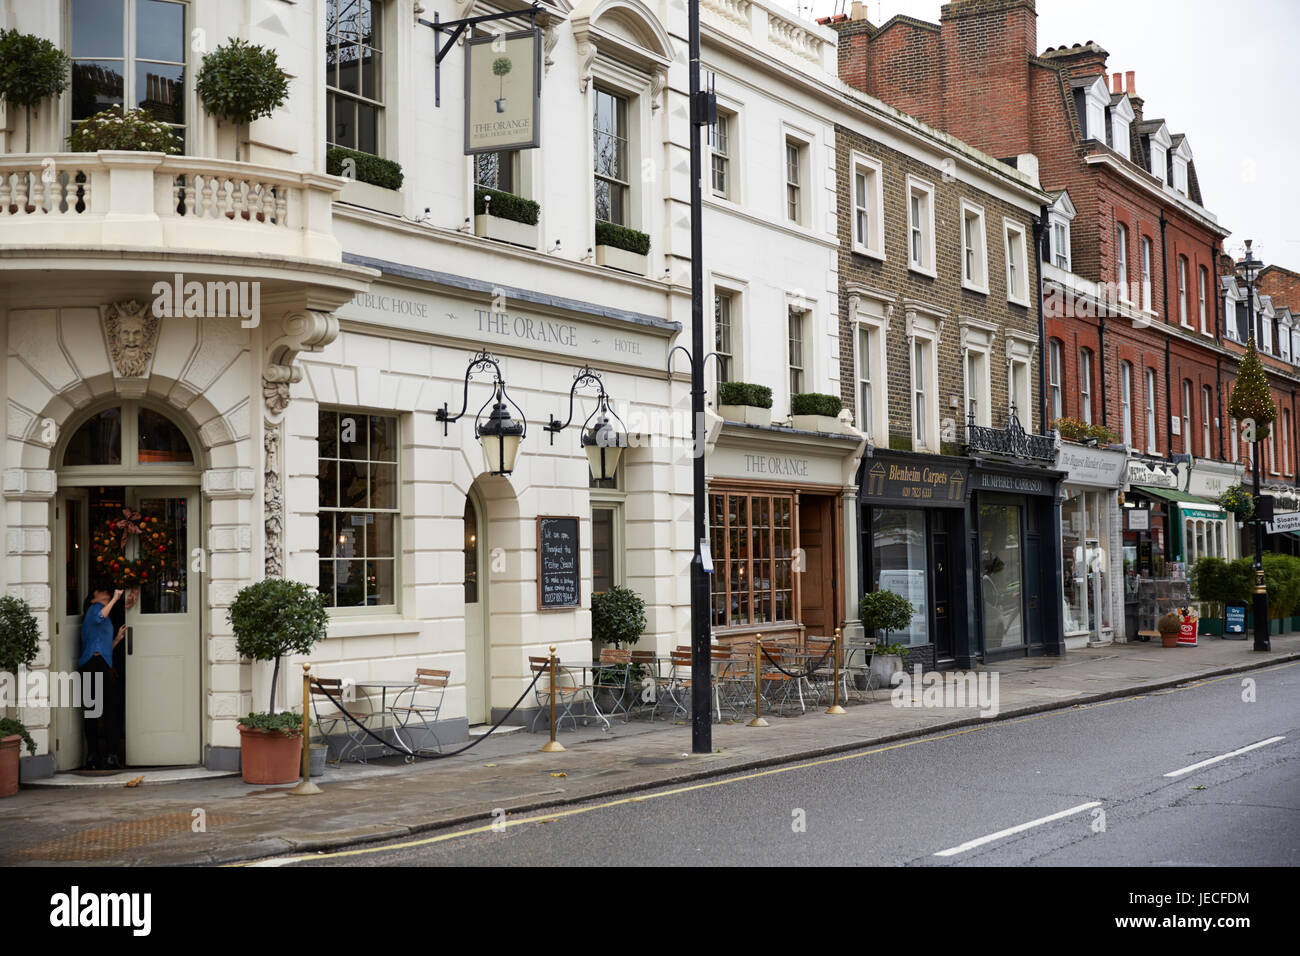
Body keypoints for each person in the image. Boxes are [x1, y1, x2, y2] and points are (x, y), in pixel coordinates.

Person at [78, 585, 127, 770]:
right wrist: (114, 599)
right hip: (93, 665)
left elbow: (102, 645)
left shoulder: (103, 614)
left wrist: (116, 640)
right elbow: (100, 617)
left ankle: (103, 755)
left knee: (101, 711)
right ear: (93, 597)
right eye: (102, 590)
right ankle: (100, 755)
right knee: (101, 711)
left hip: (99, 664)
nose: (105, 592)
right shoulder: (94, 609)